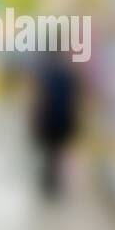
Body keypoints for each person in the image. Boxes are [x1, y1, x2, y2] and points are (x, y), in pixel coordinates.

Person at [30, 50, 79, 199]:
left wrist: (36, 118)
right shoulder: (69, 74)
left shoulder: (46, 73)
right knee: (56, 152)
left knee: (49, 152)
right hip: (62, 118)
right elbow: (73, 100)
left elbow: (41, 98)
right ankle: (52, 181)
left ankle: (47, 181)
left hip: (49, 118)